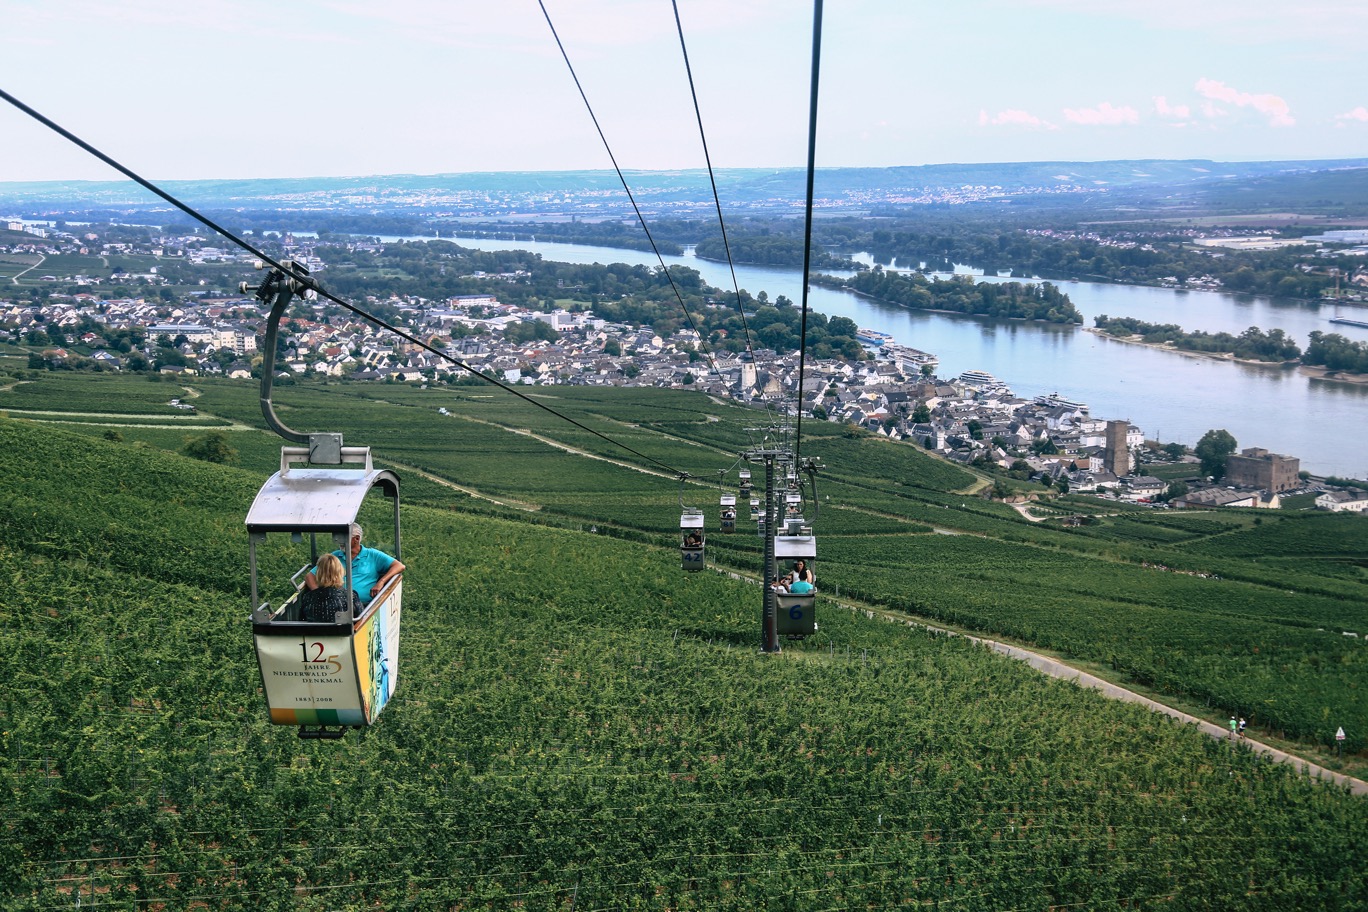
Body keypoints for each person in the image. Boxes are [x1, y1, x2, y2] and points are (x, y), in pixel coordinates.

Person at [307, 523, 404, 607]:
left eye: (343, 537)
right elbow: (310, 576)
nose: (340, 541)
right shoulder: (335, 557)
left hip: (365, 605)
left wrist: (381, 582)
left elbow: (399, 566)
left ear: (356, 539)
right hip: (336, 603)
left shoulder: (373, 555)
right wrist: (319, 596)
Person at [300, 553, 350, 622]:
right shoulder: (349, 596)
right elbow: (361, 620)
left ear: (318, 573)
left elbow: (302, 619)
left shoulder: (308, 598)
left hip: (315, 631)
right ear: (340, 572)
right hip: (343, 632)